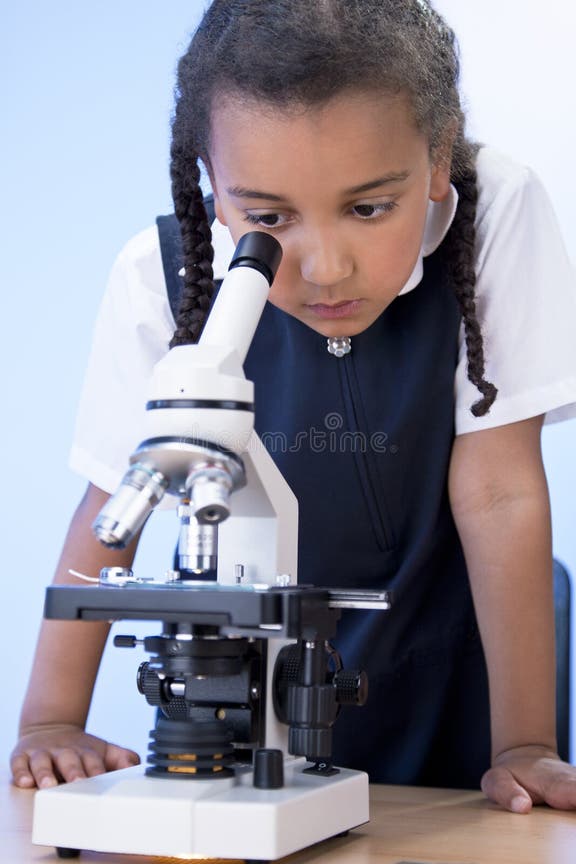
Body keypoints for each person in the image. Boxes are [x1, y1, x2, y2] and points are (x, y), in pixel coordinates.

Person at [10, 0, 576, 813]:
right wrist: (48, 723)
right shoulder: (160, 274)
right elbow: (110, 501)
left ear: (438, 155)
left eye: (368, 207)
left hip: (462, 670)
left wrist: (524, 743)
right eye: (268, 219)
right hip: (254, 697)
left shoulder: (496, 212)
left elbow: (498, 490)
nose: (325, 266)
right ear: (212, 184)